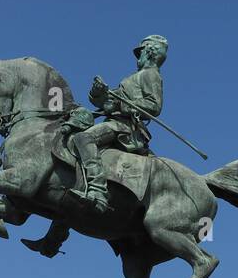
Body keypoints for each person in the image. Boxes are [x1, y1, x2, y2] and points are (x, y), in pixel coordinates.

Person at [67, 35, 168, 212]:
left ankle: (98, 189)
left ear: (150, 53)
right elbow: (106, 104)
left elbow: (154, 106)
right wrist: (98, 93)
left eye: (141, 52)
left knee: (83, 138)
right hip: (116, 121)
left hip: (125, 127)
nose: (138, 57)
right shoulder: (132, 78)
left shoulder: (150, 75)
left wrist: (120, 103)